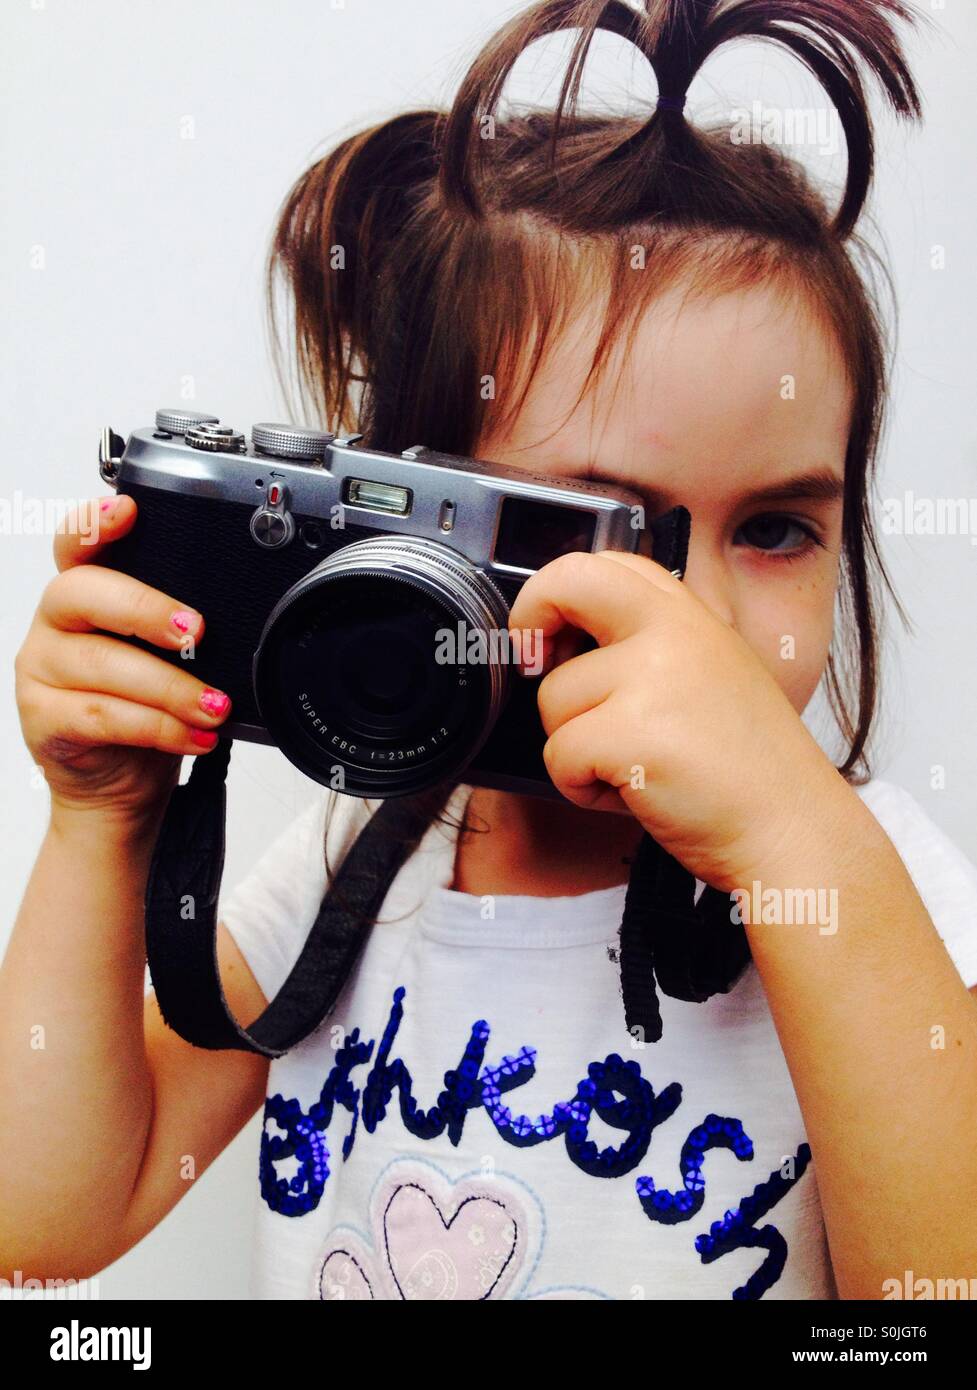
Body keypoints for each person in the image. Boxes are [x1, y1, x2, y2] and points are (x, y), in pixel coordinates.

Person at [4, 0, 977, 1301]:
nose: (705, 628)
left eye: (777, 528)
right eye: (615, 531)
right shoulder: (360, 867)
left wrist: (794, 842)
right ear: (419, 537)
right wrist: (97, 823)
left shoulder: (871, 886)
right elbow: (47, 1217)